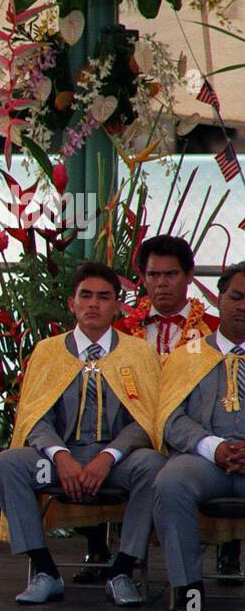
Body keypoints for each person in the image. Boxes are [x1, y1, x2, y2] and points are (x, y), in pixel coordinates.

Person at [0, 263, 164, 606]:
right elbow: (35, 417)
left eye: (104, 297)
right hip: (57, 460)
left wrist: (106, 457)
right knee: (5, 465)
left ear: (118, 305)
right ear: (72, 303)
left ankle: (122, 570)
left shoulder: (139, 352)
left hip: (117, 462)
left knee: (155, 466)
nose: (93, 304)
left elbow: (147, 420)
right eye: (86, 296)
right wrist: (61, 456)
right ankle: (45, 571)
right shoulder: (48, 350)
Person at [118, 235, 239, 583]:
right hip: (138, 433)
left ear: (188, 277)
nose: (161, 283)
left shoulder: (220, 331)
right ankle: (108, 554)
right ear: (142, 278)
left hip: (200, 435)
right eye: (153, 275)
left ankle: (229, 545)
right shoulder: (120, 333)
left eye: (170, 274)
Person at [153, 261, 245, 611]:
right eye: (236, 296)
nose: (242, 306)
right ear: (218, 298)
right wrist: (215, 447)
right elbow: (171, 418)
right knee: (170, 482)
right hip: (205, 463)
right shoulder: (187, 356)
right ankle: (187, 588)